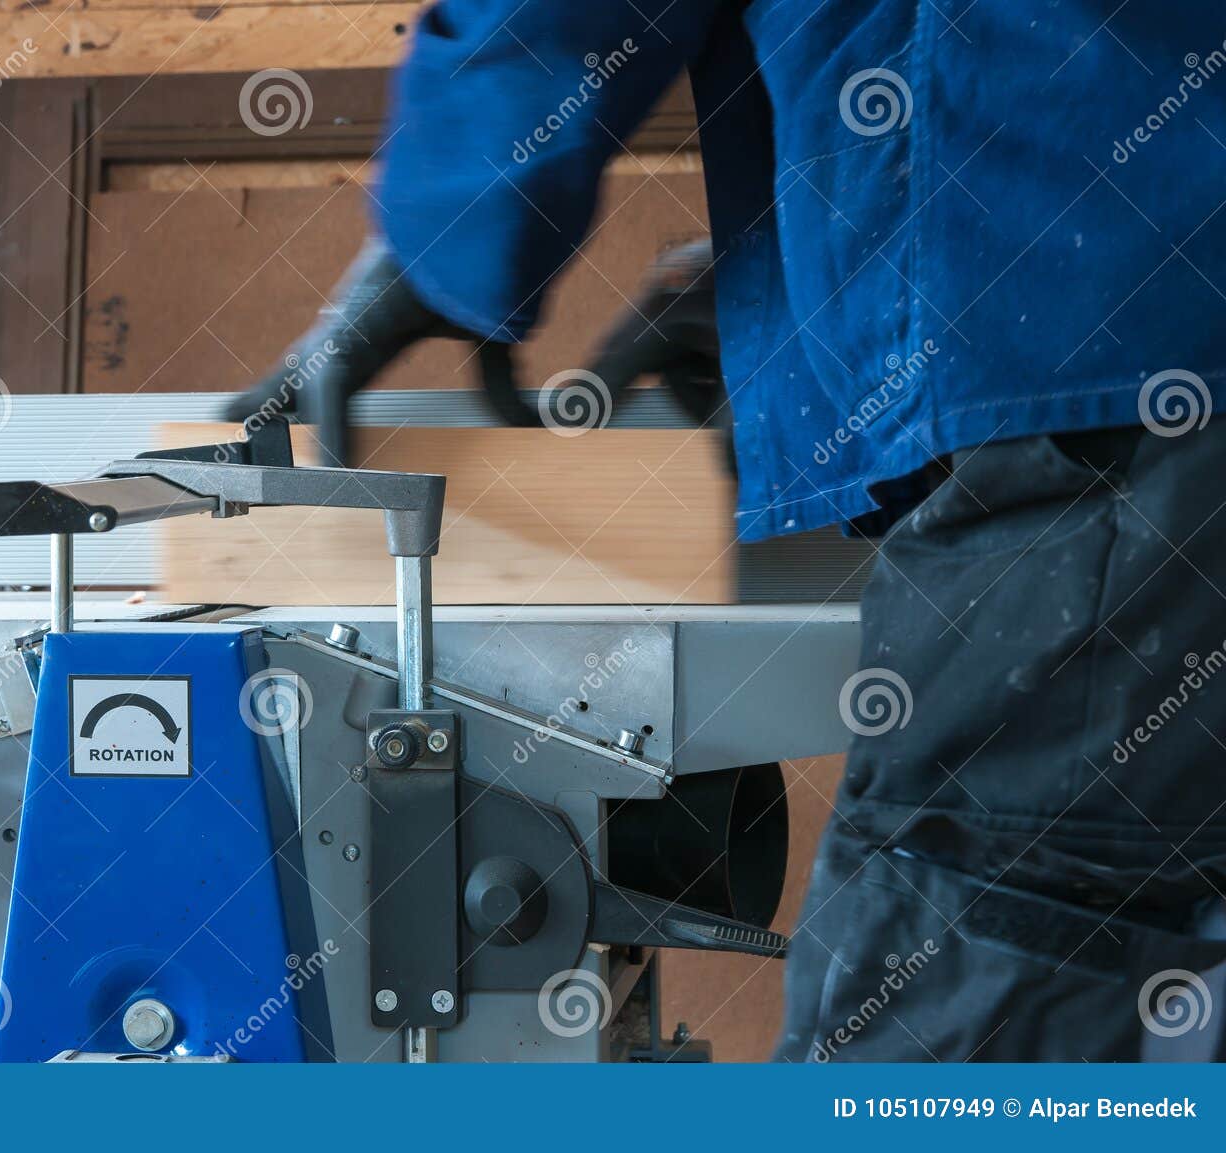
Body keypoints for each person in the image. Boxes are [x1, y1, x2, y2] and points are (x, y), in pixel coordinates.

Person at [227, 2, 1226, 1060]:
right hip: (1137, 342)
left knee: (947, 1011)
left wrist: (444, 235)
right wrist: (786, 299)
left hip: (1102, 393)